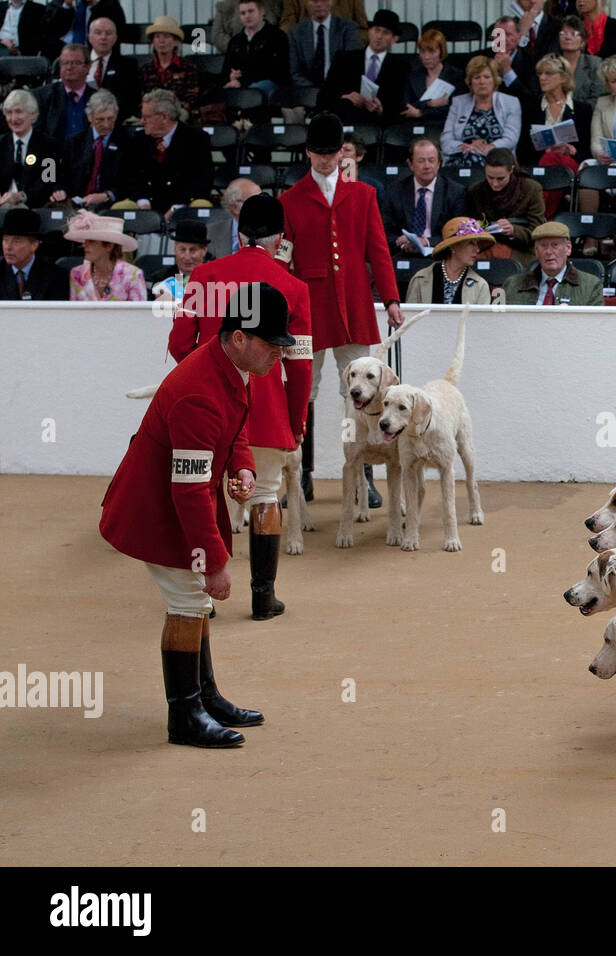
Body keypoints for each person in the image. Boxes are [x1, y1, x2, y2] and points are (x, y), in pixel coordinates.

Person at [99, 283, 294, 748]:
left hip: (176, 503)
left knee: (195, 603)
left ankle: (203, 698)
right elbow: (186, 490)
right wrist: (215, 562)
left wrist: (243, 466)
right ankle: (184, 715)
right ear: (241, 337)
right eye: (272, 345)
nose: (279, 356)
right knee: (190, 602)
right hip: (159, 510)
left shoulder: (230, 365)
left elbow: (236, 427)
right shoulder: (199, 392)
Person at [171, 198, 312, 620]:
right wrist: (296, 417)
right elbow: (300, 365)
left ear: (238, 234)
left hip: (207, 408)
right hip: (266, 412)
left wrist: (202, 383)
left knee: (203, 495)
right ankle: (263, 598)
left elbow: (179, 345)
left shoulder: (203, 275)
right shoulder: (295, 287)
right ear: (280, 240)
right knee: (266, 496)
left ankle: (204, 596)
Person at [279, 112, 402, 505]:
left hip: (354, 305)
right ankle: (301, 475)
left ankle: (363, 474)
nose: (325, 159)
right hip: (306, 310)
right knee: (302, 394)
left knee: (362, 392)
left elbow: (379, 252)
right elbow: (284, 259)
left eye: (331, 152)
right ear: (308, 152)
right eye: (318, 152)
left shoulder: (363, 194)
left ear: (341, 152)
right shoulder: (289, 200)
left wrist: (392, 299)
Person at [121, 90, 214, 217]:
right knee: (120, 207)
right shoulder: (139, 139)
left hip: (182, 205)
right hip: (146, 206)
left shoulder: (196, 139)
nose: (142, 121)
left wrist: (178, 207)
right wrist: (142, 201)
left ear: (164, 117)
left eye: (146, 117)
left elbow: (202, 181)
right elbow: (130, 176)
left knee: (201, 206)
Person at [320, 8, 407, 124]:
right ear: (369, 31)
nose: (379, 36)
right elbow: (323, 97)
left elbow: (400, 106)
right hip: (346, 121)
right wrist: (345, 97)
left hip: (379, 126)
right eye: (377, 30)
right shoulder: (344, 60)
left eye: (385, 32)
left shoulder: (400, 67)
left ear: (394, 39)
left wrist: (382, 110)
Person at [519, 53, 594, 186]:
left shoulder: (583, 110)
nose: (542, 77)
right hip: (538, 166)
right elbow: (522, 150)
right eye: (540, 73)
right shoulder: (530, 108)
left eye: (548, 73)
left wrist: (572, 150)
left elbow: (587, 151)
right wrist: (545, 150)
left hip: (570, 165)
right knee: (550, 158)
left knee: (555, 162)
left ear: (563, 78)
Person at [383, 138, 466, 257]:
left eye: (431, 160)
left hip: (440, 253)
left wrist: (426, 242)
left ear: (439, 164)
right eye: (421, 161)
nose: (427, 166)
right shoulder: (395, 191)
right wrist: (398, 241)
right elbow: (385, 230)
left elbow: (458, 232)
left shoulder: (455, 192)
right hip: (402, 253)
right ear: (410, 164)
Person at [465, 148, 546, 263]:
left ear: (511, 170)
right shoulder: (476, 191)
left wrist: (513, 230)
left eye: (500, 178)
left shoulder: (531, 189)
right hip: (485, 246)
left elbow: (537, 231)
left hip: (520, 248)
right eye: (490, 177)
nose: (494, 183)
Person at [441, 56, 523, 169]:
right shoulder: (458, 102)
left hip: (498, 160)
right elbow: (446, 140)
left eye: (487, 77)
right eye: (477, 77)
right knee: (469, 158)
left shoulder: (511, 102)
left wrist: (489, 148)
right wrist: (466, 147)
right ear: (470, 82)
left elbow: (511, 139)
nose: (482, 82)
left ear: (495, 80)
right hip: (462, 158)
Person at [502, 220, 604, 305]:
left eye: (555, 245)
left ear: (568, 249)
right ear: (536, 251)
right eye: (543, 246)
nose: (549, 252)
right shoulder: (512, 285)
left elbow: (596, 326)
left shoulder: (591, 286)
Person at [407, 217, 495, 305]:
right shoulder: (420, 279)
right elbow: (410, 316)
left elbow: (481, 319)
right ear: (453, 246)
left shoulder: (480, 285)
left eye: (477, 244)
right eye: (471, 243)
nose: (477, 250)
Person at [0, 89, 63, 209]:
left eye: (19, 112)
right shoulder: (1, 144)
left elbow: (48, 180)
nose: (13, 119)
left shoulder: (48, 145)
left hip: (33, 207)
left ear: (33, 114)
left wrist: (21, 196)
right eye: (9, 113)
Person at [66, 211, 146, 301]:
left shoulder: (132, 274)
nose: (84, 245)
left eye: (91, 241)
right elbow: (73, 312)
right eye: (85, 241)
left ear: (109, 246)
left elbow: (138, 313)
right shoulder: (77, 274)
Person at [222, 0, 290, 100]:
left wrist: (242, 79)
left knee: (252, 93)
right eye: (243, 13)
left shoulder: (277, 36)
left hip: (269, 85)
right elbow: (226, 69)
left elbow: (277, 71)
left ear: (262, 11)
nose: (247, 16)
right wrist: (231, 77)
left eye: (251, 11)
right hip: (239, 84)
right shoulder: (235, 41)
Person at [289, 0, 362, 91]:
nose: (319, 4)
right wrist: (316, 90)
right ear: (307, 3)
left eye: (324, 0)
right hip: (307, 91)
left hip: (339, 91)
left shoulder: (348, 28)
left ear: (332, 2)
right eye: (314, 1)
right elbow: (295, 73)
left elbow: (352, 66)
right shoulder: (296, 32)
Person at [0, 208, 68, 301]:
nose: (8, 247)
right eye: (5, 240)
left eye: (16, 241)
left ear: (34, 245)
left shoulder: (55, 276)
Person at [138, 16, 200, 118]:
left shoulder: (188, 68)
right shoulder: (145, 70)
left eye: (166, 36)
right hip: (151, 115)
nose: (161, 41)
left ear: (176, 42)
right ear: (153, 41)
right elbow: (140, 98)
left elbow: (191, 98)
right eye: (157, 37)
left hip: (178, 114)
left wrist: (169, 112)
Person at [33, 42, 91, 142]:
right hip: (52, 154)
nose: (69, 67)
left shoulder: (97, 98)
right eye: (65, 63)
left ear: (87, 67)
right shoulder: (42, 96)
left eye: (76, 63)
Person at [84, 17, 139, 118]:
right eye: (98, 33)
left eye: (108, 33)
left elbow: (130, 101)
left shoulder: (128, 66)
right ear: (89, 37)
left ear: (115, 38)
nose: (103, 37)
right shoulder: (79, 62)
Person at [153, 220, 211, 302]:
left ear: (204, 250)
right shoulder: (161, 278)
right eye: (182, 250)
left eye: (193, 250)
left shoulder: (215, 279)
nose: (187, 256)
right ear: (175, 248)